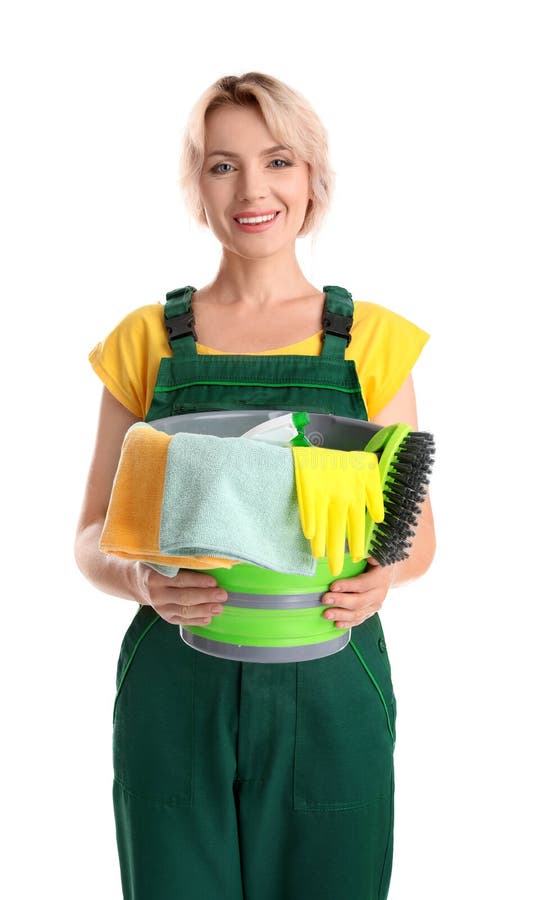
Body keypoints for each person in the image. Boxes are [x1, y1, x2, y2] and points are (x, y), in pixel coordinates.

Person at [74, 71, 436, 900]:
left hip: (331, 674)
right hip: (176, 680)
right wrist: (140, 580)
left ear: (312, 177)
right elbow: (92, 533)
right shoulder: (146, 342)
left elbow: (414, 536)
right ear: (196, 186)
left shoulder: (369, 342)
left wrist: (381, 578)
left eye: (277, 160)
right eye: (221, 165)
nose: (252, 189)